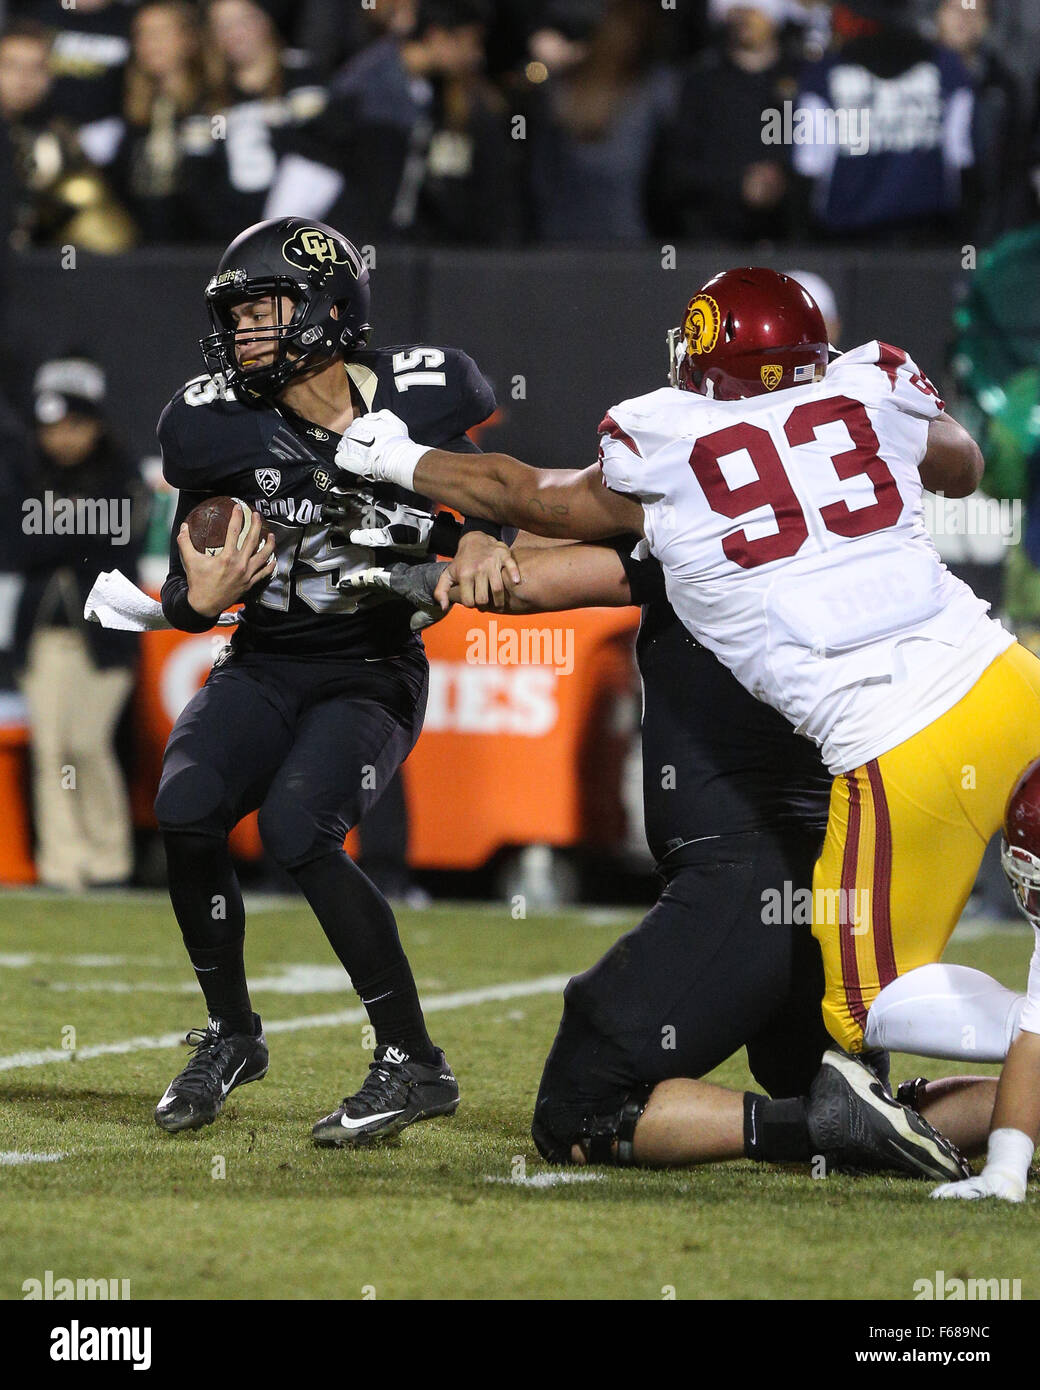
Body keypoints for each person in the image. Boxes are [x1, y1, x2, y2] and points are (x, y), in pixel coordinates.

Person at [332, 266, 1040, 1184]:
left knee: (837, 1029)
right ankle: (928, 1107)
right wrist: (443, 561)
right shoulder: (862, 407)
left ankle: (873, 1104)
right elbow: (962, 464)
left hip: (852, 789)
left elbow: (535, 501)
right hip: (992, 690)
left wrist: (394, 459)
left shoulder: (678, 467)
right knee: (837, 1075)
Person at [348, 537, 987, 1178]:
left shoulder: (696, 514)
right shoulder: (825, 520)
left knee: (577, 1106)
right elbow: (956, 460)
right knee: (841, 1107)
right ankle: (1005, 1106)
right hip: (831, 873)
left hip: (744, 877)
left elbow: (538, 557)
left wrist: (438, 558)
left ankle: (824, 1122)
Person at [152, 214, 516, 1145]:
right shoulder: (210, 421)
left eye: (261, 311)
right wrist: (198, 602)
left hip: (371, 668)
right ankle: (232, 1034)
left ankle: (413, 1060)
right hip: (267, 661)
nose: (241, 333)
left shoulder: (428, 390)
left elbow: (491, 499)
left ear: (326, 308)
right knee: (186, 809)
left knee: (296, 828)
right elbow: (183, 588)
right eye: (232, 315)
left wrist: (480, 536)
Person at [5, 354, 147, 890]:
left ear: (94, 424)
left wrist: (54, 526)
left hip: (104, 638)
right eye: (50, 429)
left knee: (86, 744)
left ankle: (108, 860)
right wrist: (75, 525)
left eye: (71, 426)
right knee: (50, 751)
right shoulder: (28, 473)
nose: (60, 439)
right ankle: (64, 867)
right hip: (42, 638)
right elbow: (16, 547)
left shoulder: (122, 471)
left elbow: (116, 541)